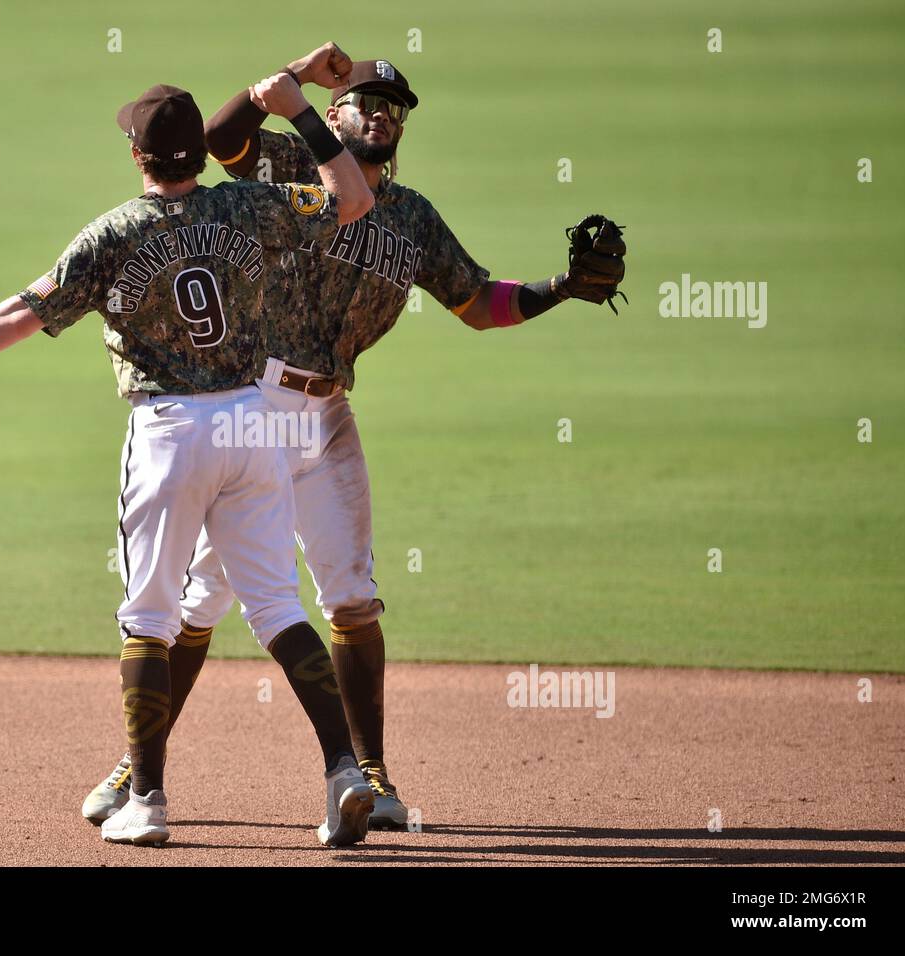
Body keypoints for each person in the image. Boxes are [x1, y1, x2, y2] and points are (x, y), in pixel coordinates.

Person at [82, 46, 626, 831]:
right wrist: (295, 80)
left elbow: (477, 301)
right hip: (250, 407)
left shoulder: (412, 217)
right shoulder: (285, 167)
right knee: (198, 602)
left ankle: (367, 773)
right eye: (363, 101)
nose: (380, 112)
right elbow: (221, 134)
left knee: (352, 595)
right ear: (334, 114)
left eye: (393, 106)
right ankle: (140, 770)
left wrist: (562, 289)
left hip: (328, 417)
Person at [0, 80, 381, 847]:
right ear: (195, 153)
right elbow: (351, 198)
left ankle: (147, 800)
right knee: (280, 610)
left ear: (136, 154)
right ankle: (344, 771)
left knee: (150, 618)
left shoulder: (111, 234)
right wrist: (301, 114)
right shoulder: (248, 206)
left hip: (169, 433)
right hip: (253, 427)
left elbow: (22, 314)